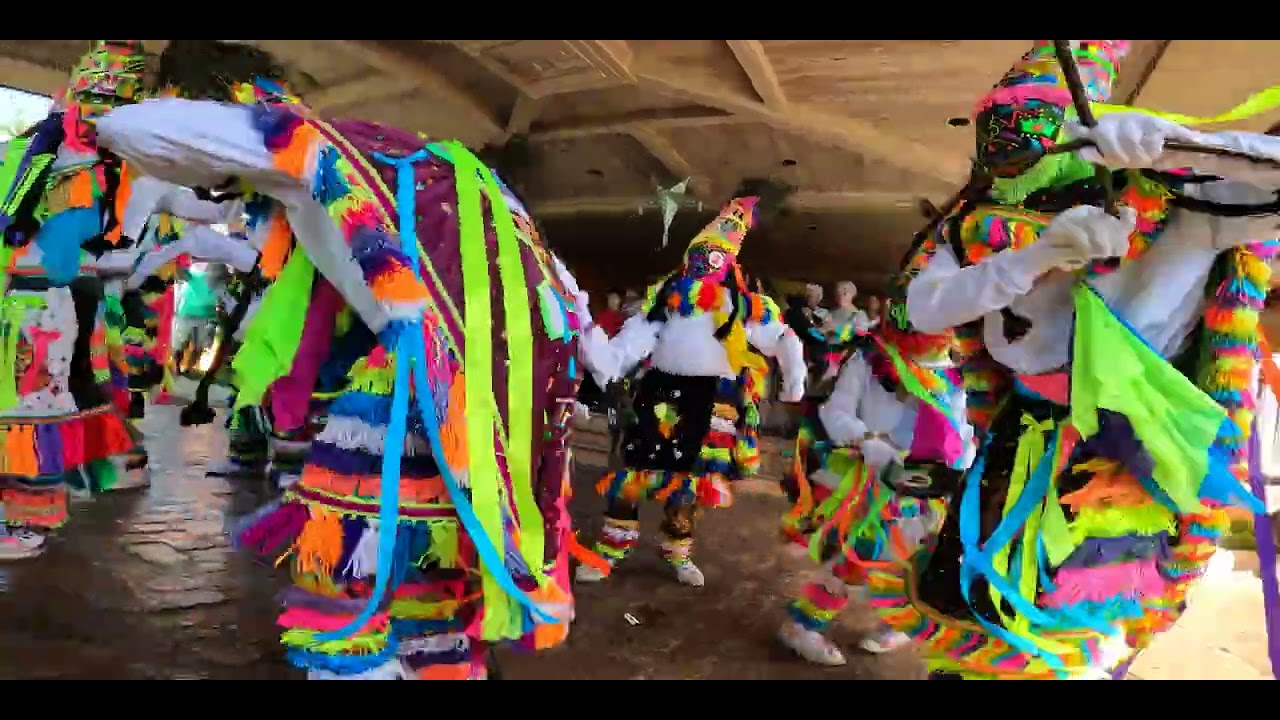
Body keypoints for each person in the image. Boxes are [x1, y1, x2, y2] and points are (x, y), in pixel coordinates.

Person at [97, 39, 582, 679]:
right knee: (436, 577)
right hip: (497, 401)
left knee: (350, 576)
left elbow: (127, 128)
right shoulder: (434, 174)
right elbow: (568, 302)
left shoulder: (306, 150)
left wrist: (249, 114)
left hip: (413, 396)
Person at [880, 39, 1278, 680]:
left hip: (1121, 448)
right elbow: (918, 309)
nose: (1014, 142)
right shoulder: (975, 225)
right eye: (999, 125)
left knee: (1071, 622)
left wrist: (1176, 146)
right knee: (970, 598)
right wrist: (1029, 260)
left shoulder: (1187, 204)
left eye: (1037, 122)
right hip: (1022, 430)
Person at [574, 188, 805, 587]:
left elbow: (782, 337)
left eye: (716, 256)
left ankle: (677, 550)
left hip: (712, 403)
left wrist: (794, 374)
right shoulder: (664, 300)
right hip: (657, 397)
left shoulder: (741, 305)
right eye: (700, 254)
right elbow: (629, 346)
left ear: (729, 262)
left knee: (690, 485)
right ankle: (610, 550)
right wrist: (595, 346)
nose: (705, 263)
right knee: (631, 474)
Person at [779, 304, 974, 664]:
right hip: (870, 482)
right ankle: (802, 625)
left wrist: (961, 465)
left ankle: (900, 622)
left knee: (917, 560)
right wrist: (867, 441)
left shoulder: (958, 374)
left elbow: (964, 431)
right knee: (853, 558)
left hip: (928, 487)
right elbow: (835, 412)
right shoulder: (868, 361)